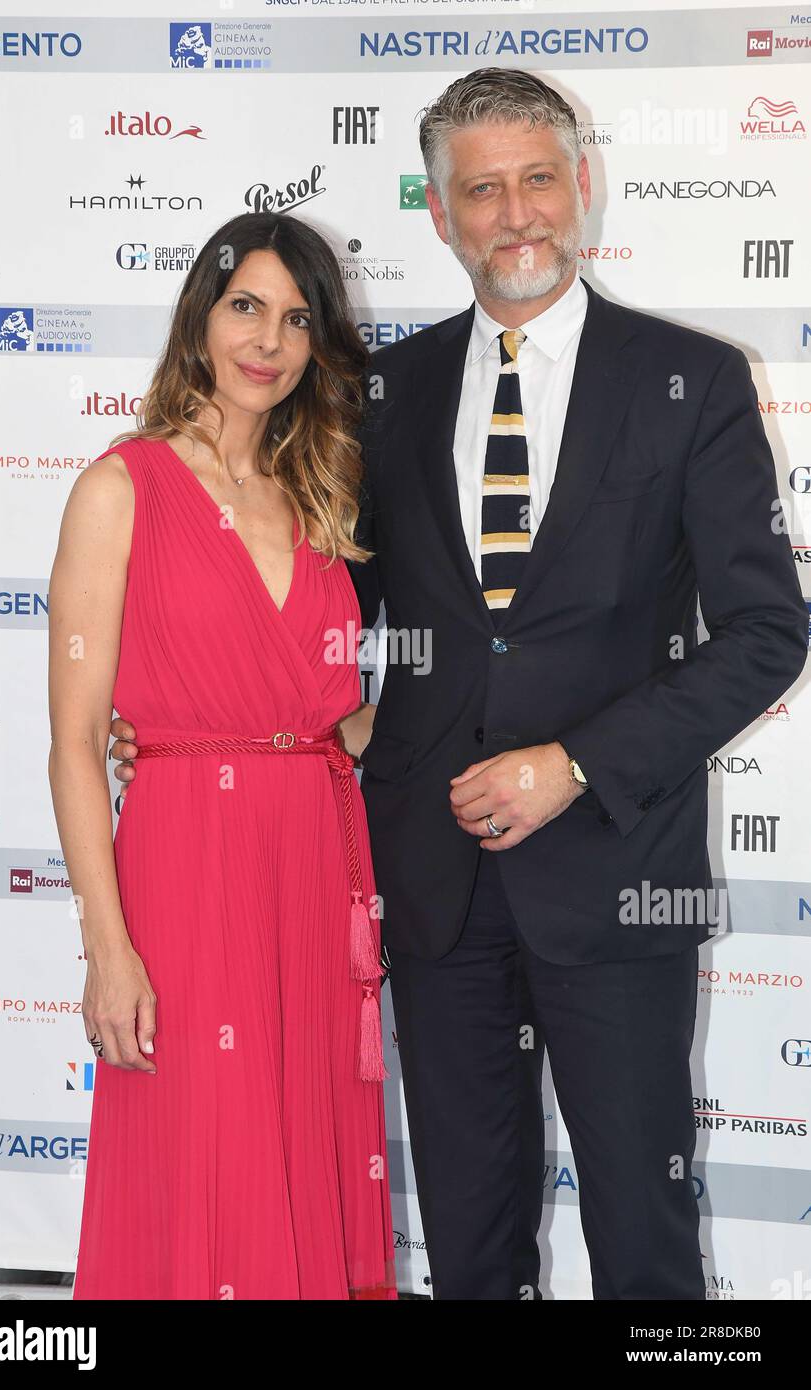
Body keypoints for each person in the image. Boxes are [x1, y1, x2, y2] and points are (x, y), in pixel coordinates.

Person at [111, 70, 807, 1300]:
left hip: (614, 874)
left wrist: (575, 762)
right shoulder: (377, 395)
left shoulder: (688, 383)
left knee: (642, 1232)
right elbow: (324, 611)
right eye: (478, 189)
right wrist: (195, 725)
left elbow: (763, 632)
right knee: (468, 1238)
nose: (513, 212)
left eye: (536, 178)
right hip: (430, 889)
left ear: (579, 186)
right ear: (438, 214)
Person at [49, 212, 397, 1300]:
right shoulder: (122, 487)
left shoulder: (321, 496)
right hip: (184, 870)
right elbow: (71, 747)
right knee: (200, 1151)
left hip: (311, 865)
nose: (270, 340)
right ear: (199, 316)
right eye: (245, 305)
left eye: (297, 319)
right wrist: (108, 947)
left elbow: (335, 713)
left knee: (300, 1144)